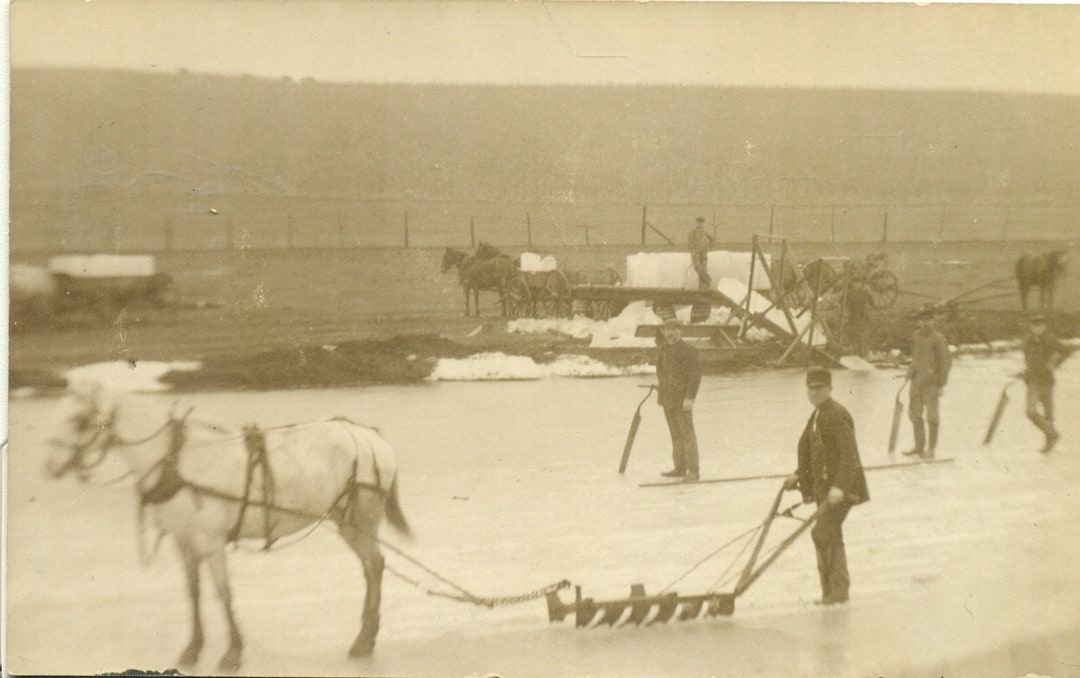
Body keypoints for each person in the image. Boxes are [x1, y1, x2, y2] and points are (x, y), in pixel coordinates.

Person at [784, 367, 869, 606]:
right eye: (811, 389)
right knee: (829, 533)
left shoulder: (836, 415)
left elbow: (849, 456)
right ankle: (832, 592)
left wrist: (840, 487)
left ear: (830, 388)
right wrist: (798, 475)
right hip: (826, 489)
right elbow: (814, 451)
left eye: (820, 388)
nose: (815, 393)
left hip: (843, 491)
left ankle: (837, 591)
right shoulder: (818, 414)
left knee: (822, 532)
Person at [903, 307, 952, 459]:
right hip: (916, 382)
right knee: (915, 414)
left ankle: (931, 449)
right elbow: (915, 358)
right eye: (922, 320)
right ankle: (919, 447)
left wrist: (941, 384)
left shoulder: (938, 338)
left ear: (933, 321)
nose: (925, 323)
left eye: (928, 320)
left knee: (932, 416)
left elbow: (945, 362)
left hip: (931, 383)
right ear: (918, 322)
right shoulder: (916, 337)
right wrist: (910, 372)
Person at [656, 317, 702, 481]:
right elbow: (661, 372)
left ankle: (693, 471)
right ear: (664, 332)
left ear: (680, 331)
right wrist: (662, 386)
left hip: (682, 401)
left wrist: (690, 398)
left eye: (674, 329)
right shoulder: (663, 350)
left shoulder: (689, 351)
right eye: (668, 329)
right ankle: (680, 468)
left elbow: (695, 376)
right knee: (675, 434)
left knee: (687, 435)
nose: (671, 333)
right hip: (667, 400)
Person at [1023, 312, 1066, 453]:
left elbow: (1063, 351)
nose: (1037, 327)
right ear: (1030, 326)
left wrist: (1053, 362)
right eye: (1034, 325)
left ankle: (1049, 443)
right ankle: (1053, 434)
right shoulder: (1028, 341)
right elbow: (1028, 360)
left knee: (1048, 414)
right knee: (1031, 412)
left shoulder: (1050, 339)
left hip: (1047, 380)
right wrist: (1026, 371)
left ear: (1045, 326)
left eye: (1040, 324)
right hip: (1033, 381)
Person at [687, 216, 714, 289]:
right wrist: (692, 251)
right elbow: (689, 243)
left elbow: (712, 240)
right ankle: (707, 279)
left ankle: (702, 287)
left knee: (703, 269)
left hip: (703, 253)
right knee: (697, 267)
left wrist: (709, 248)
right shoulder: (693, 232)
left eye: (701, 222)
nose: (700, 224)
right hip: (696, 253)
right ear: (696, 223)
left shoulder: (705, 232)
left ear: (703, 223)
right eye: (698, 222)